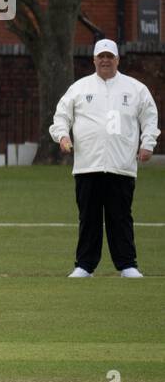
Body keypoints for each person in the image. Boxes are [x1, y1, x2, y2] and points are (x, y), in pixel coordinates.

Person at [50, 39, 158, 278]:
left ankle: (127, 265)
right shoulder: (79, 88)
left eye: (110, 56)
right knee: (88, 217)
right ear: (94, 59)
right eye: (101, 56)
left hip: (121, 166)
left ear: (118, 59)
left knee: (120, 216)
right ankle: (84, 266)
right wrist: (62, 136)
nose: (105, 60)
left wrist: (148, 143)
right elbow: (61, 116)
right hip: (88, 165)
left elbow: (149, 117)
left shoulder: (135, 88)